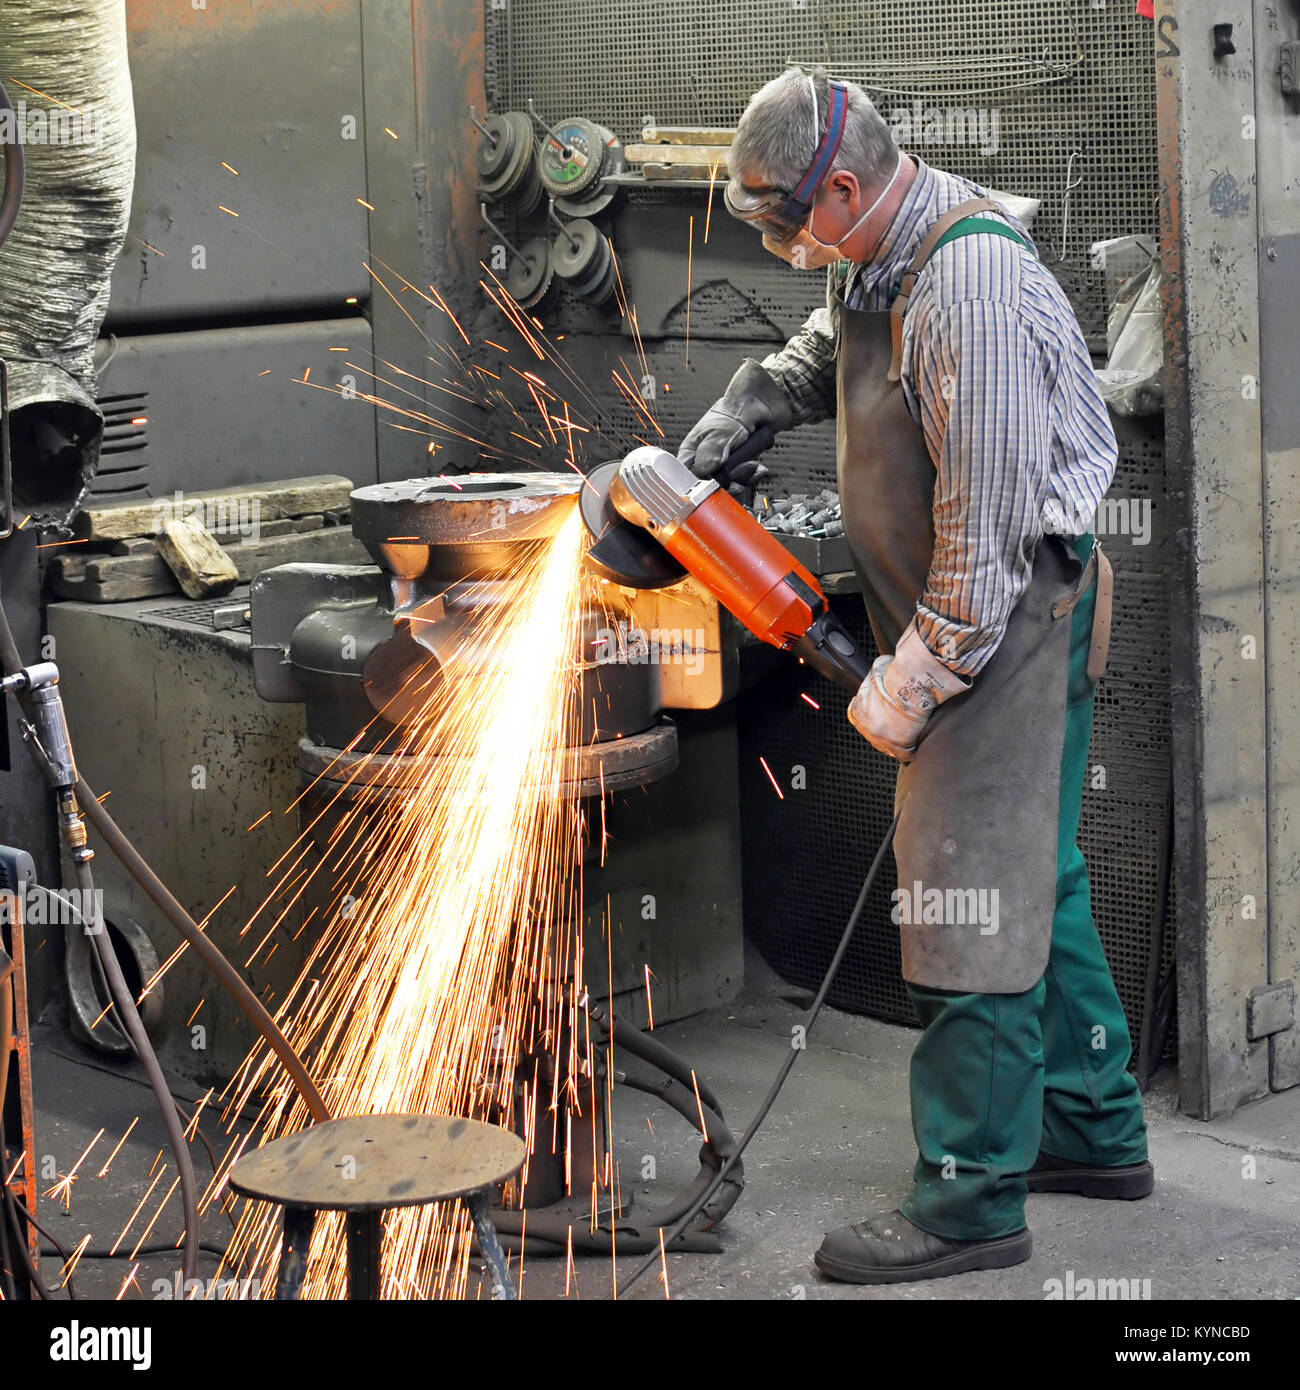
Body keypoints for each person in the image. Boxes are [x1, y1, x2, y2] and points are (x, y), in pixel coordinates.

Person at [678, 66, 1152, 1285]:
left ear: (840, 184)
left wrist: (911, 681)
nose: (781, 244)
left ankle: (968, 1198)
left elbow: (987, 538)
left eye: (783, 218)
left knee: (963, 909)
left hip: (996, 625)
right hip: (980, 615)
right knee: (1034, 879)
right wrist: (758, 397)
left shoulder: (969, 291)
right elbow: (833, 333)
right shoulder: (880, 246)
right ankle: (1090, 1128)